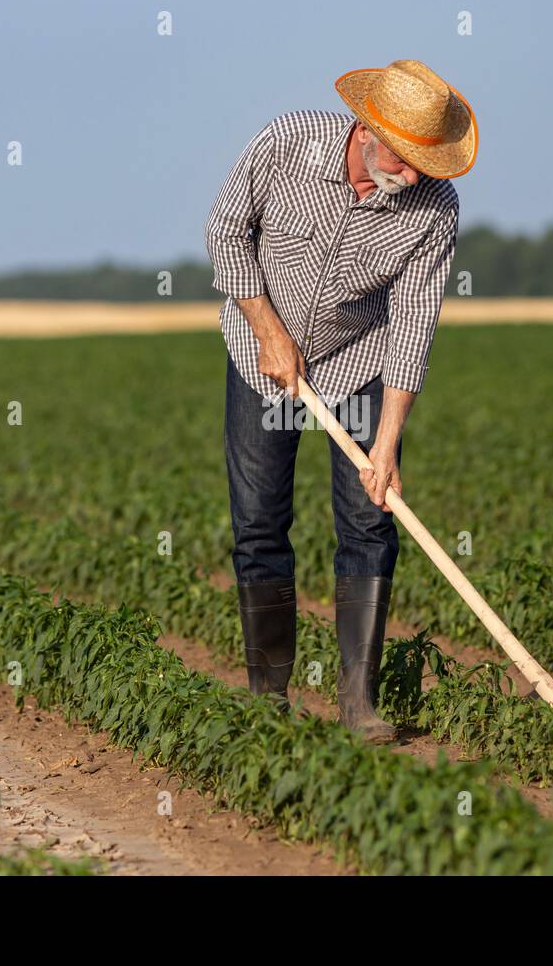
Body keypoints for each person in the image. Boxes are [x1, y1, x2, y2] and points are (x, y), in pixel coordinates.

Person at [204, 59, 477, 743]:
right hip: (261, 356)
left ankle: (358, 701)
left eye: (426, 162)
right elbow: (225, 233)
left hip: (358, 362)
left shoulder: (434, 208)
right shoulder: (287, 144)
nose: (414, 175)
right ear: (366, 129)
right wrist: (268, 330)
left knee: (368, 522)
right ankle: (269, 698)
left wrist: (386, 444)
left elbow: (413, 322)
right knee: (261, 525)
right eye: (407, 158)